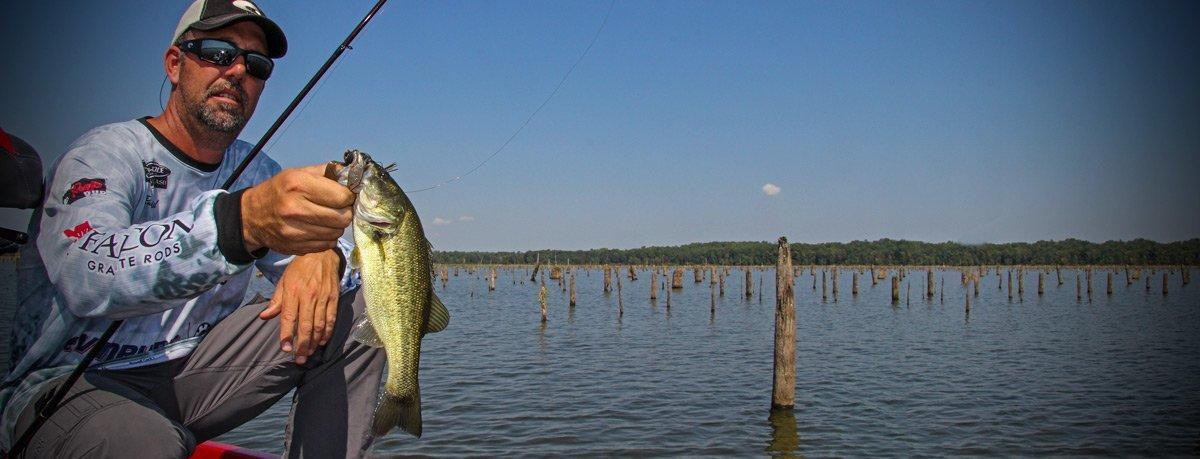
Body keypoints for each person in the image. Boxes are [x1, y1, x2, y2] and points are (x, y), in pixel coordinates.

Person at [0, 1, 384, 457]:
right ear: (175, 64)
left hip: (192, 374)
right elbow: (88, 276)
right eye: (219, 52)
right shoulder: (102, 155)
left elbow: (346, 260)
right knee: (144, 444)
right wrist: (239, 222)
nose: (238, 70)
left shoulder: (258, 168)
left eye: (256, 64)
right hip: (71, 382)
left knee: (364, 310)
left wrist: (325, 255)